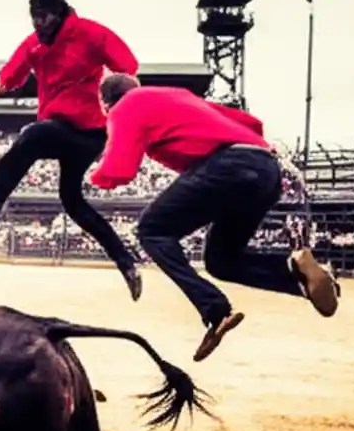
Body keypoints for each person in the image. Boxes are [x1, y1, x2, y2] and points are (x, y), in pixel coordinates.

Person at [90, 73, 340, 362]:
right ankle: (296, 273)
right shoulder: (177, 94)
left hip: (227, 166)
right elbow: (249, 122)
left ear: (106, 103)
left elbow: (119, 167)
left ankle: (215, 310)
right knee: (221, 261)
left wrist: (93, 180)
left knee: (151, 230)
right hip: (265, 167)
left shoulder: (125, 106)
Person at [0, 0, 145, 300]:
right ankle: (127, 264)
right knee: (71, 201)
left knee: (33, 136)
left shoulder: (90, 33)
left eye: (43, 18)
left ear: (59, 15)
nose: (37, 25)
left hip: (89, 133)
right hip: (59, 128)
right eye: (33, 19)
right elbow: (6, 77)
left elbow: (129, 68)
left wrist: (127, 109)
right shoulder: (33, 45)